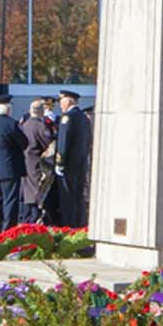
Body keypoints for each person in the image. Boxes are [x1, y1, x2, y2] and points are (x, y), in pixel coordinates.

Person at [0, 93, 34, 233]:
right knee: (10, 202)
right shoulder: (11, 124)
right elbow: (24, 143)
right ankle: (8, 231)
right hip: (10, 169)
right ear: (8, 109)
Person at [52, 89, 94, 228]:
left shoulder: (67, 117)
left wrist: (60, 162)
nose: (60, 105)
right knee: (79, 198)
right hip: (81, 164)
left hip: (69, 165)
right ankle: (80, 227)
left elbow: (63, 142)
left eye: (61, 101)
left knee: (67, 199)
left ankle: (68, 229)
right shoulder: (83, 117)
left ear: (68, 101)